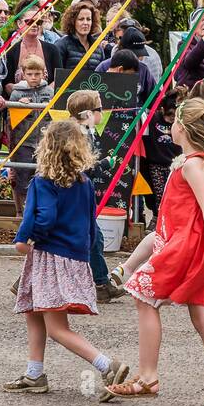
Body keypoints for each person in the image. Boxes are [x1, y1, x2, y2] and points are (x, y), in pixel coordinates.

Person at [106, 98, 204, 406]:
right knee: (203, 319)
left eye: (173, 120)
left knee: (142, 294)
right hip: (196, 249)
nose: (170, 124)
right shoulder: (200, 162)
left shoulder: (193, 165)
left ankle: (148, 375)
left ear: (181, 127)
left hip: (185, 248)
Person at [3, 118, 130, 399]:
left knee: (58, 329)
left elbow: (42, 216)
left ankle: (107, 365)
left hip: (50, 256)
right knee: (34, 310)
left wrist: (24, 239)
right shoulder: (84, 182)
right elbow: (90, 223)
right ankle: (34, 374)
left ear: (46, 147)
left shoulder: (43, 181)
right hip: (74, 255)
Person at [64, 90, 125, 303]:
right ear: (89, 113)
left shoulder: (84, 132)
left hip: (78, 197)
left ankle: (101, 284)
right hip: (72, 197)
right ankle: (101, 283)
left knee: (93, 239)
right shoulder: (78, 135)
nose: (102, 113)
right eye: (100, 109)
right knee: (89, 238)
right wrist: (104, 164)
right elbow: (82, 168)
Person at [7, 55, 54, 213]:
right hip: (23, 142)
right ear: (23, 74)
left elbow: (56, 118)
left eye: (37, 74)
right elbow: (10, 121)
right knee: (22, 177)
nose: (33, 77)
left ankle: (39, 210)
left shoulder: (49, 92)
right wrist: (18, 107)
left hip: (44, 143)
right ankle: (20, 212)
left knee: (43, 176)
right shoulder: (16, 94)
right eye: (30, 74)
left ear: (43, 73)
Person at [1, 0, 61, 96]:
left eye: (39, 22)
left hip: (46, 104)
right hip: (20, 106)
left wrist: (44, 95)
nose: (34, 25)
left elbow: (59, 79)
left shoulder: (53, 50)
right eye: (29, 21)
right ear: (19, 23)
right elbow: (6, 83)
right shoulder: (11, 50)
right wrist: (22, 96)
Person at [56, 0, 104, 77]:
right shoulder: (62, 45)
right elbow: (57, 76)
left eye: (88, 19)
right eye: (81, 19)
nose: (85, 23)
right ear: (72, 21)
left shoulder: (98, 48)